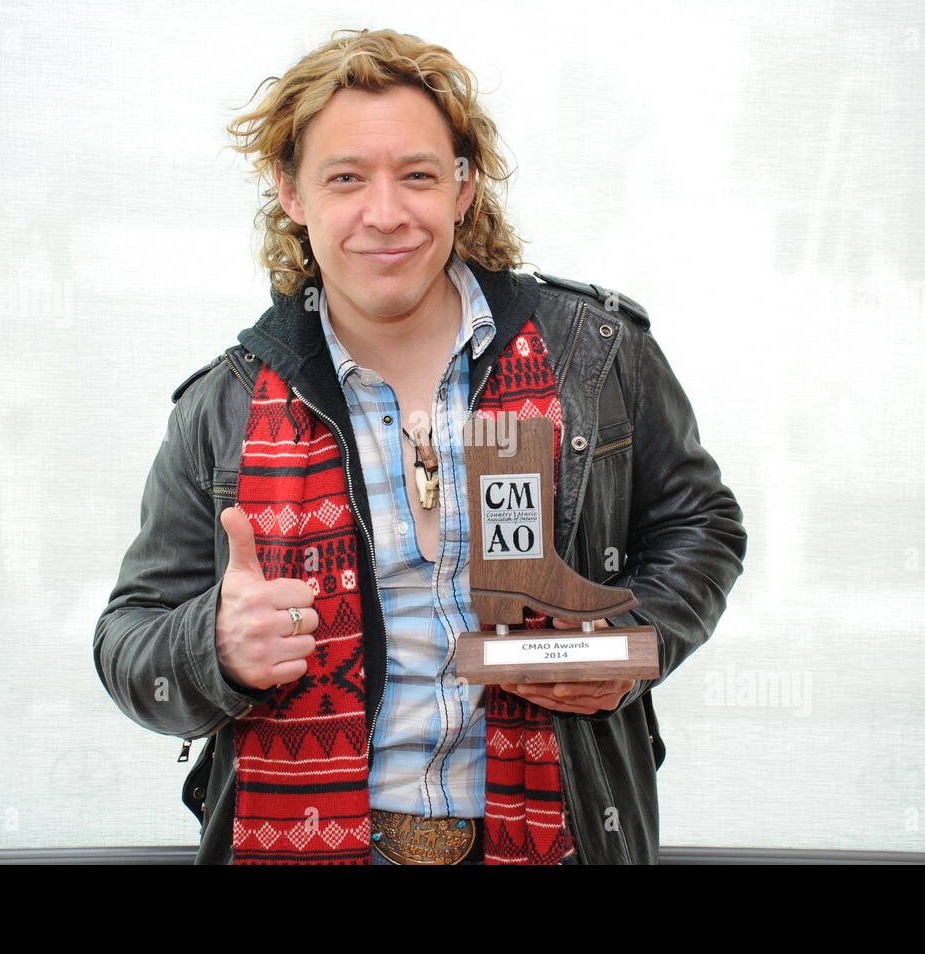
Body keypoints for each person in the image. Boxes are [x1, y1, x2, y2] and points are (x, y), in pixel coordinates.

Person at [93, 27, 747, 865]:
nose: (386, 213)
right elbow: (127, 643)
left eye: (418, 175)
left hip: (562, 837)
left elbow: (703, 527)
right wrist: (214, 648)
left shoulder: (596, 353)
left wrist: (634, 645)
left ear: (464, 187)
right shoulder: (220, 406)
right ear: (292, 193)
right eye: (346, 179)